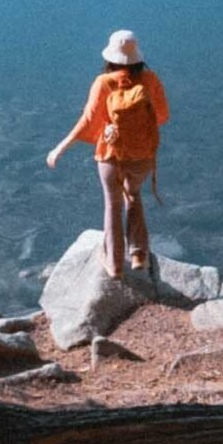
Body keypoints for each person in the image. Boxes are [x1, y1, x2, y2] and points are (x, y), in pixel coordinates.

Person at [46, 28, 170, 279]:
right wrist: (136, 127)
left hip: (111, 154)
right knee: (133, 196)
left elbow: (88, 119)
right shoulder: (150, 79)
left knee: (113, 205)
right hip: (143, 155)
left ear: (110, 57)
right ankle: (139, 254)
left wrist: (62, 146)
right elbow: (163, 115)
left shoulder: (103, 82)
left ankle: (114, 265)